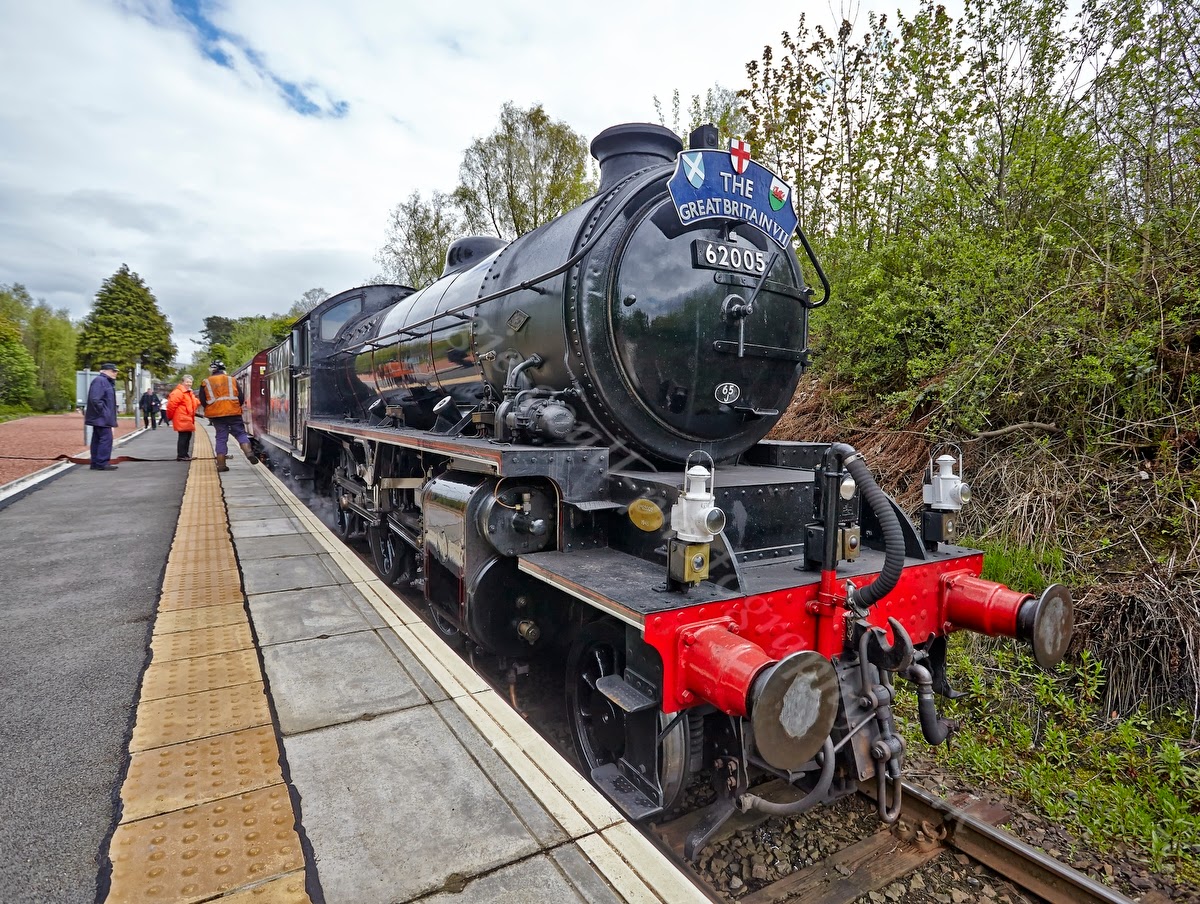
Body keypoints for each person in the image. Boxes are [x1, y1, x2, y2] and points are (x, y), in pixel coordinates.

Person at [199, 361, 258, 473]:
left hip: (216, 415)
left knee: (221, 437)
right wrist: (235, 406)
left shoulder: (205, 382)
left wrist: (212, 408)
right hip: (233, 412)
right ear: (223, 369)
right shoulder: (232, 380)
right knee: (240, 433)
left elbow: (202, 400)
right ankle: (249, 453)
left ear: (212, 370)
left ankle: (221, 465)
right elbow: (241, 397)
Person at [84, 363, 120, 471]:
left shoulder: (104, 382)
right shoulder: (101, 381)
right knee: (106, 439)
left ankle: (96, 462)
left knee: (98, 439)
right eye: (113, 371)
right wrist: (104, 412)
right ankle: (102, 462)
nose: (115, 373)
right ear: (105, 371)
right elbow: (95, 399)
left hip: (100, 417)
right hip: (102, 417)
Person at [165, 375, 200, 461]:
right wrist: (169, 416)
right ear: (182, 382)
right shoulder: (178, 392)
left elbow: (195, 403)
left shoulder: (189, 393)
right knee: (183, 436)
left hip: (187, 418)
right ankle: (181, 455)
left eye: (190, 382)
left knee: (187, 436)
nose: (189, 384)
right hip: (182, 417)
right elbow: (171, 405)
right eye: (187, 382)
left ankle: (185, 455)